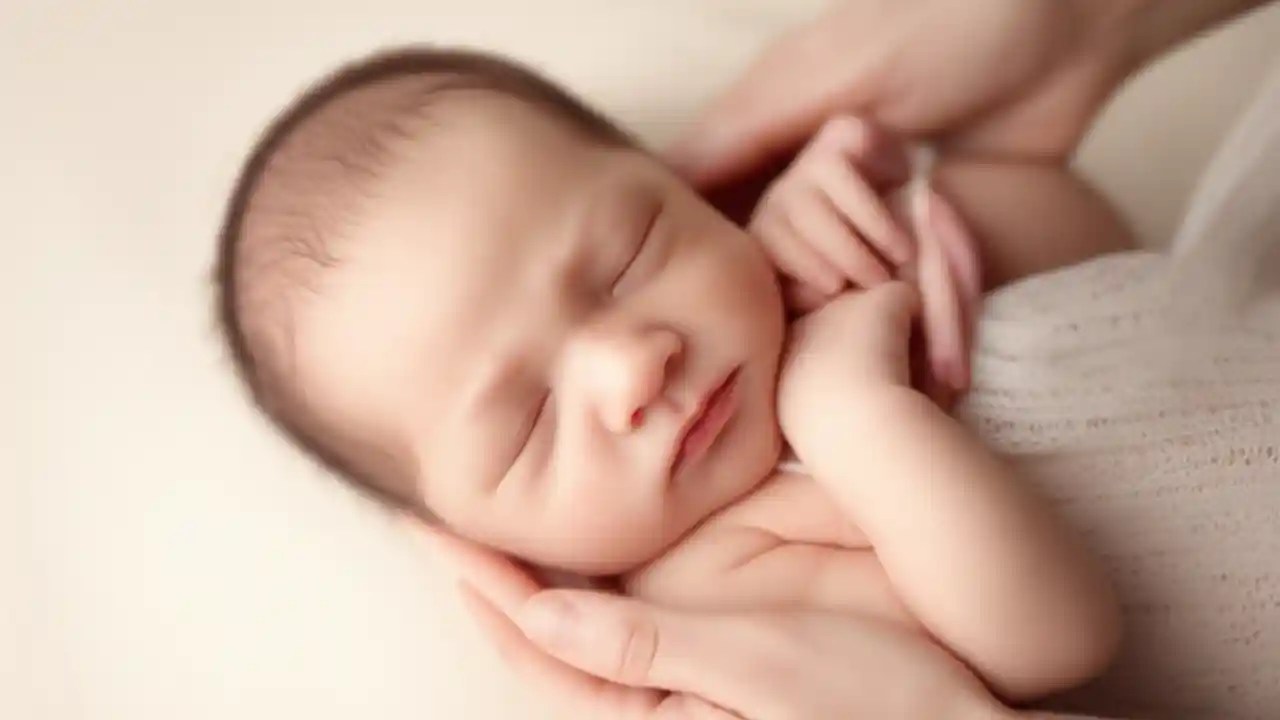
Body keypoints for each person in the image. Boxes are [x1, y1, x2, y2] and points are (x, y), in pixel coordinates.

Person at [439, 0, 1280, 718]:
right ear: (502, 545)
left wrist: (930, 216)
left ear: (696, 195)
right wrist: (849, 414)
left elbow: (1112, 253)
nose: (632, 366)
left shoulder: (821, 274)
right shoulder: (709, 581)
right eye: (530, 422)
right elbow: (1057, 638)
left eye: (631, 255)